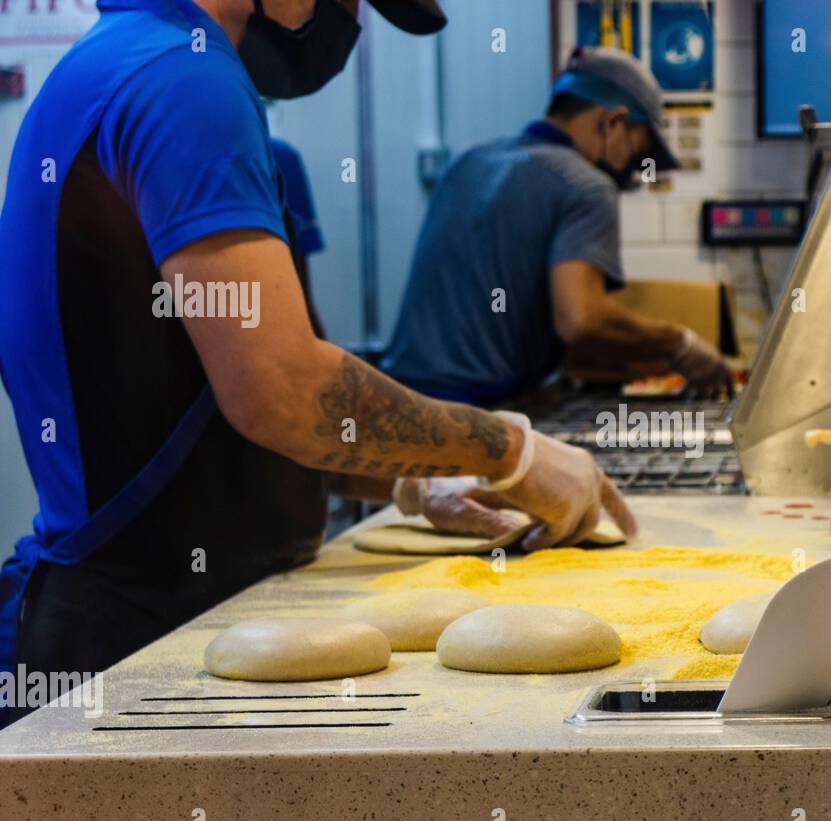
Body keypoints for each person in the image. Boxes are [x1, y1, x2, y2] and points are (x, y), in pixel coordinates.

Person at [0, 0, 635, 704]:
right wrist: (510, 452)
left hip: (150, 605)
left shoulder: (134, 57)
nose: (348, 19)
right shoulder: (184, 78)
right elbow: (283, 390)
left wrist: (417, 479)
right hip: (133, 635)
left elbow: (196, 401)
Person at [381, 46, 731, 406]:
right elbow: (580, 320)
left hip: (399, 402)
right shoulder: (587, 185)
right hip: (474, 413)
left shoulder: (468, 161)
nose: (635, 171)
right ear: (613, 122)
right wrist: (679, 344)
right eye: (638, 154)